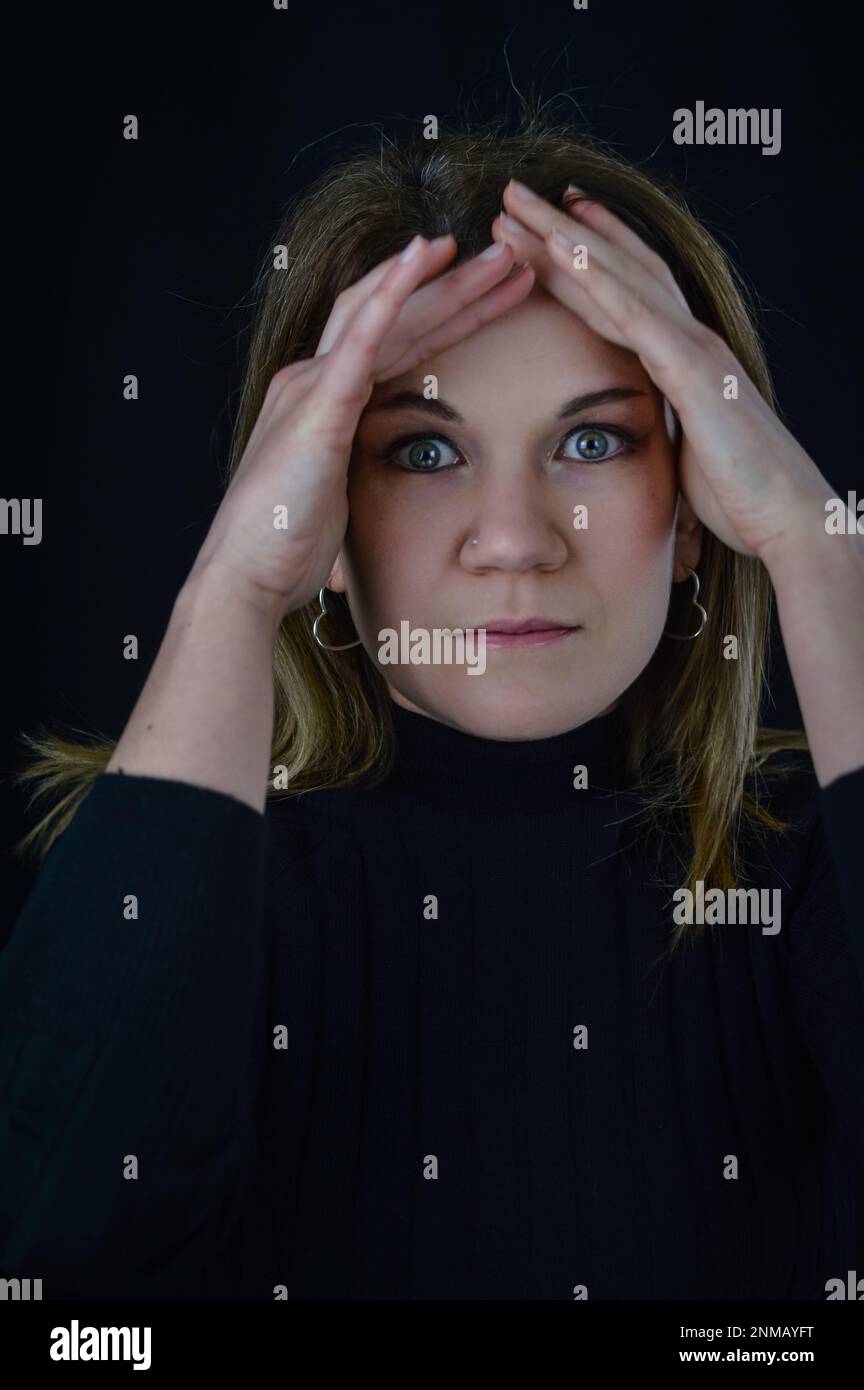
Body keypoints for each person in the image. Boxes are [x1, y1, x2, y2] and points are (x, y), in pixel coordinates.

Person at [2, 115, 862, 1301]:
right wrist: (234, 588)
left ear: (702, 503)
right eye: (422, 452)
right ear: (323, 519)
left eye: (595, 438)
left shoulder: (811, 869)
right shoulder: (176, 887)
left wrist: (818, 547)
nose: (514, 542)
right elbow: (58, 1287)